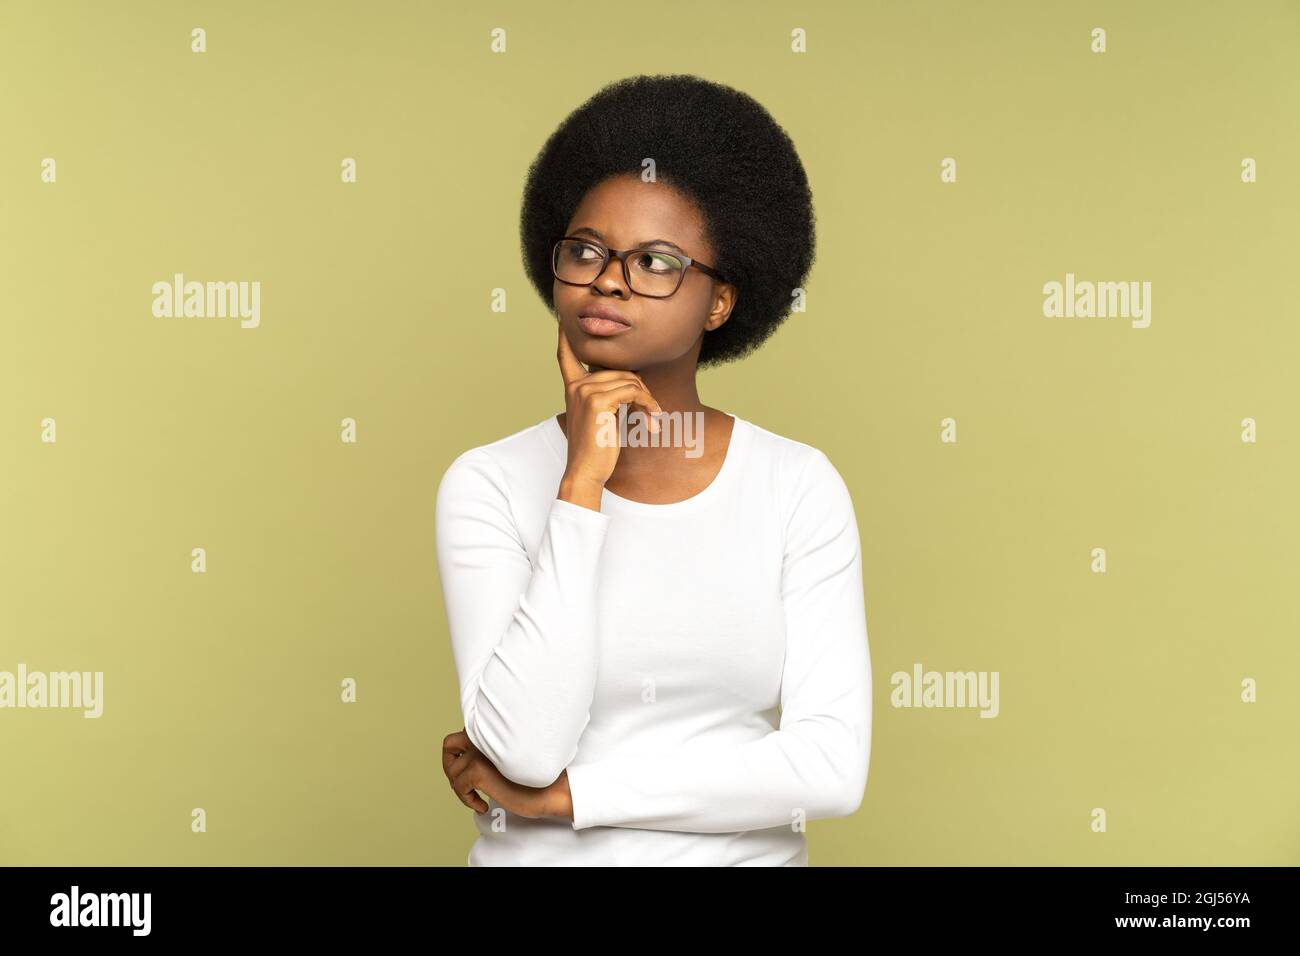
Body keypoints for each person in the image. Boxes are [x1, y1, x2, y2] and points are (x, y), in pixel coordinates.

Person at [436, 73, 871, 865]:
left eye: (657, 261)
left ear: (719, 301)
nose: (609, 278)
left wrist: (576, 799)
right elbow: (526, 749)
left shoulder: (796, 487)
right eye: (587, 251)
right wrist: (580, 487)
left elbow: (830, 769)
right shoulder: (489, 483)